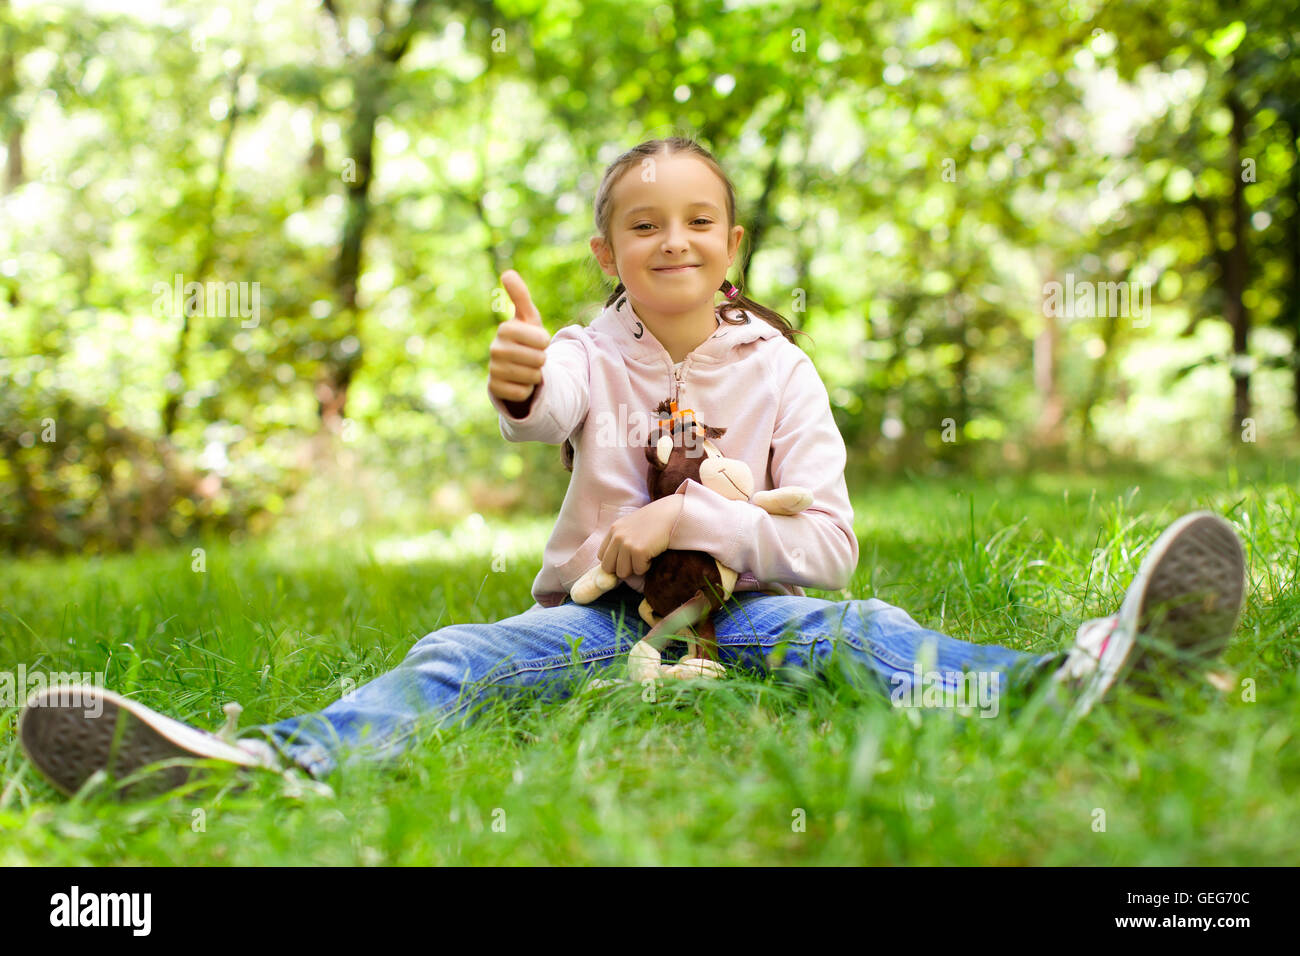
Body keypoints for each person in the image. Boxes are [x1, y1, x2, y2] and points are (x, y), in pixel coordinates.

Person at [17, 137, 1246, 799]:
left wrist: (702, 523)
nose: (672, 239)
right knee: (458, 658)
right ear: (609, 248)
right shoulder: (585, 354)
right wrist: (514, 376)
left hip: (756, 616)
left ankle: (1072, 680)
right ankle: (267, 760)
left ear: (731, 244)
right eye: (643, 224)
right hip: (601, 625)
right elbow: (540, 403)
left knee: (864, 632)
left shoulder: (783, 373)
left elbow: (827, 543)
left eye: (696, 220)